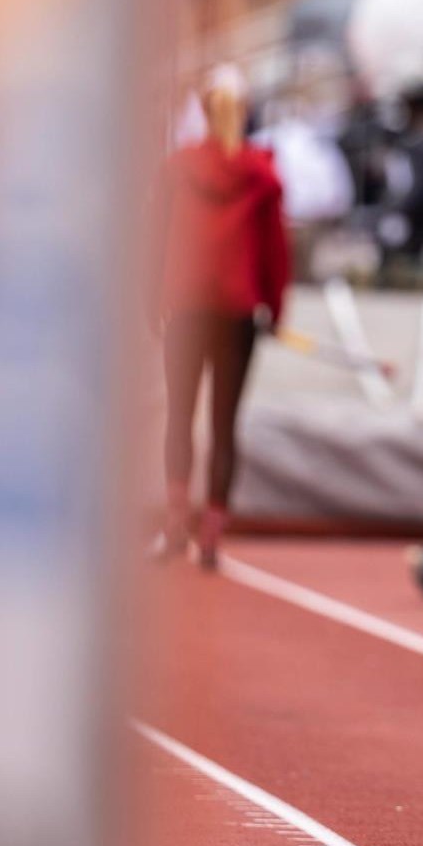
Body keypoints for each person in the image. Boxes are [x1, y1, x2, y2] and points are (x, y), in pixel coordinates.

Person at [157, 66, 291, 569]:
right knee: (223, 422)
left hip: (187, 304)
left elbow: (158, 237)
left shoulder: (178, 168)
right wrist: (275, 307)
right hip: (237, 308)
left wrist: (154, 298)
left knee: (179, 415)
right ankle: (211, 530)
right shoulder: (263, 174)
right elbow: (275, 250)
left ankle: (175, 522)